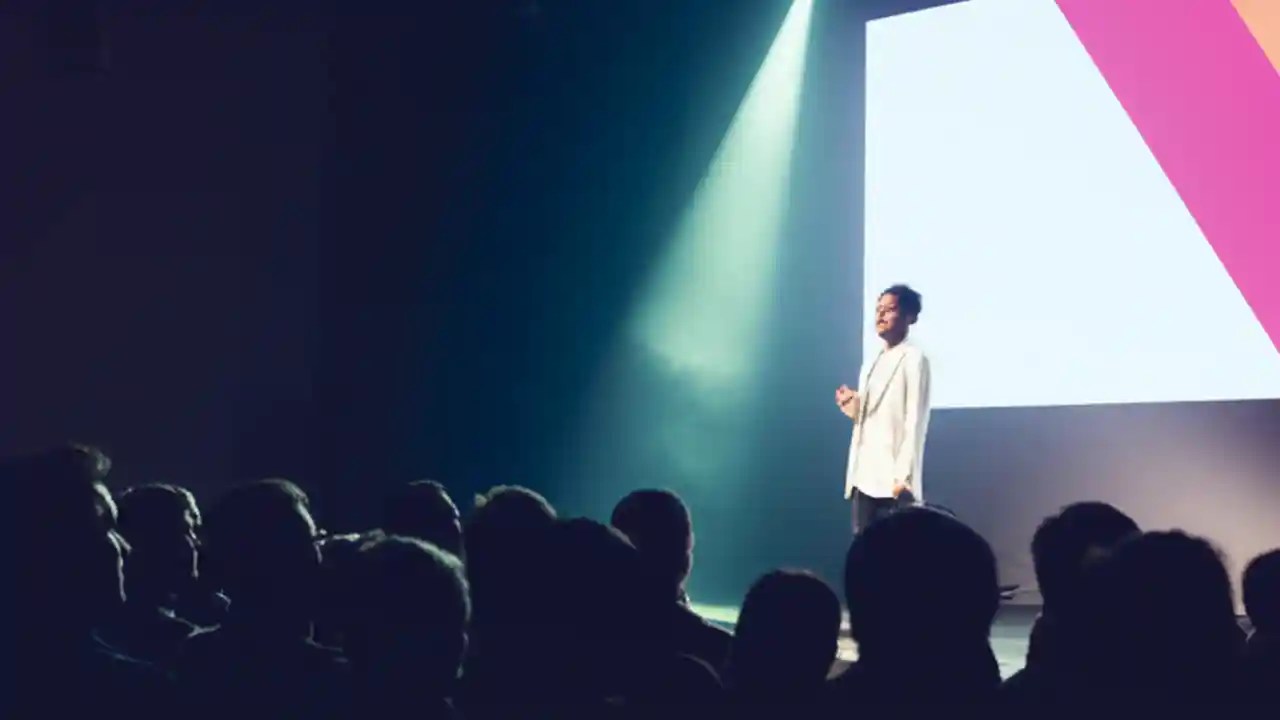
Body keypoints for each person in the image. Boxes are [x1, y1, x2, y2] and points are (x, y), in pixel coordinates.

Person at [835, 284, 931, 534]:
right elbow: (872, 416)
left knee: (894, 553)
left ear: (909, 317)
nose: (880, 316)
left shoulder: (914, 358)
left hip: (893, 482)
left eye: (889, 310)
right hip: (863, 475)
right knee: (863, 551)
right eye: (878, 309)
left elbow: (915, 421)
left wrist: (904, 477)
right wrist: (853, 406)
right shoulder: (871, 362)